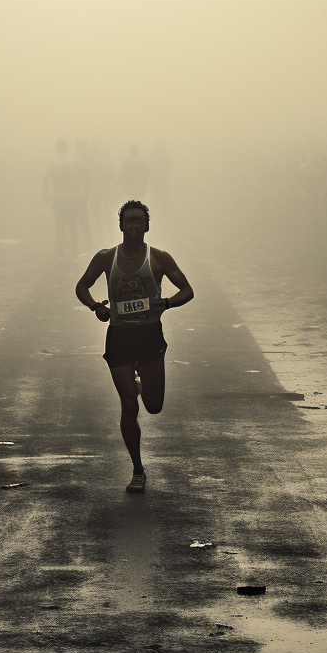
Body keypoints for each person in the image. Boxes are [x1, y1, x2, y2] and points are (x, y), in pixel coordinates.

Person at [75, 200, 194, 494]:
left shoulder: (159, 258)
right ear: (121, 225)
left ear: (147, 226)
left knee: (153, 407)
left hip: (150, 336)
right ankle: (137, 470)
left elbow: (188, 290)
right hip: (119, 336)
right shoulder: (106, 258)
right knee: (128, 404)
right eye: (129, 221)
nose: (134, 226)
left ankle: (140, 385)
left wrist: (165, 303)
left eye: (139, 221)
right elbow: (82, 286)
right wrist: (95, 307)